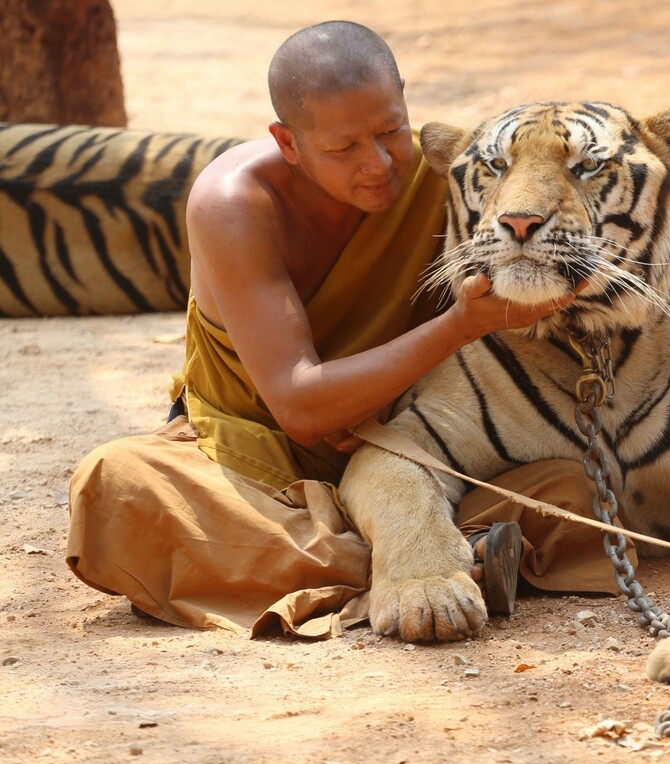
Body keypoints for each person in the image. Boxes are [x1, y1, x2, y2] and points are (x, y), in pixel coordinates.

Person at [64, 20, 629, 640]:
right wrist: (459, 327)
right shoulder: (235, 202)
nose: (379, 165)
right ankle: (436, 556)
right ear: (288, 142)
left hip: (408, 448)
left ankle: (386, 551)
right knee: (116, 487)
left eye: (390, 131)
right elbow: (302, 407)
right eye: (343, 149)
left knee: (573, 490)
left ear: (404, 100)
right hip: (256, 461)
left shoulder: (452, 174)